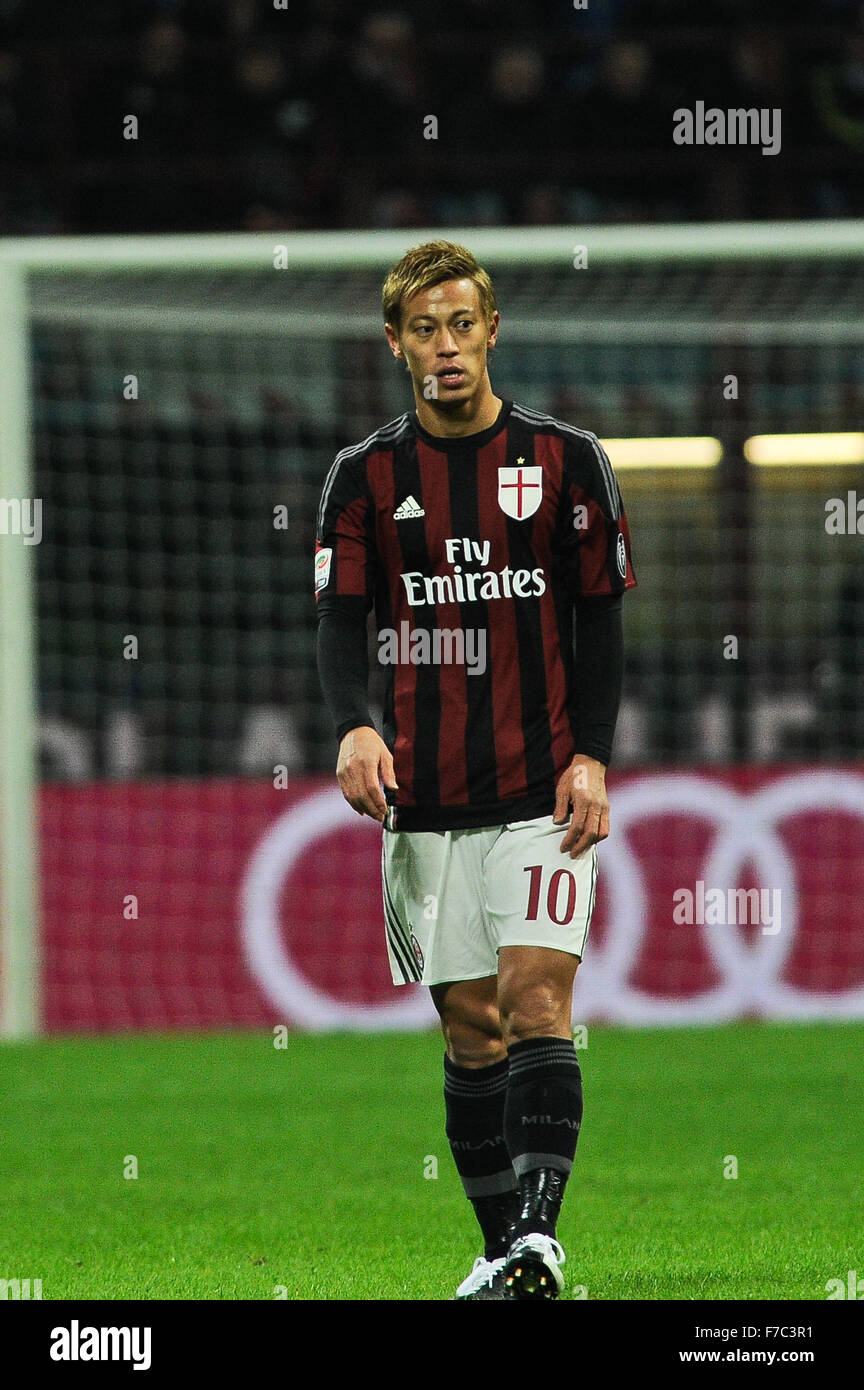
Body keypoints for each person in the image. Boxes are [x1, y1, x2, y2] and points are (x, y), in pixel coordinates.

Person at [315, 240, 636, 1299]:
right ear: (397, 343)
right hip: (425, 801)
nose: (445, 347)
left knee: (537, 995)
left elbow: (601, 619)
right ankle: (506, 1255)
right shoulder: (365, 477)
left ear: (492, 330)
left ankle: (540, 1240)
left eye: (461, 325)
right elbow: (339, 620)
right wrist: (356, 726)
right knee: (468, 1025)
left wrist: (593, 753)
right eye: (424, 329)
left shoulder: (567, 461)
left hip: (542, 786)